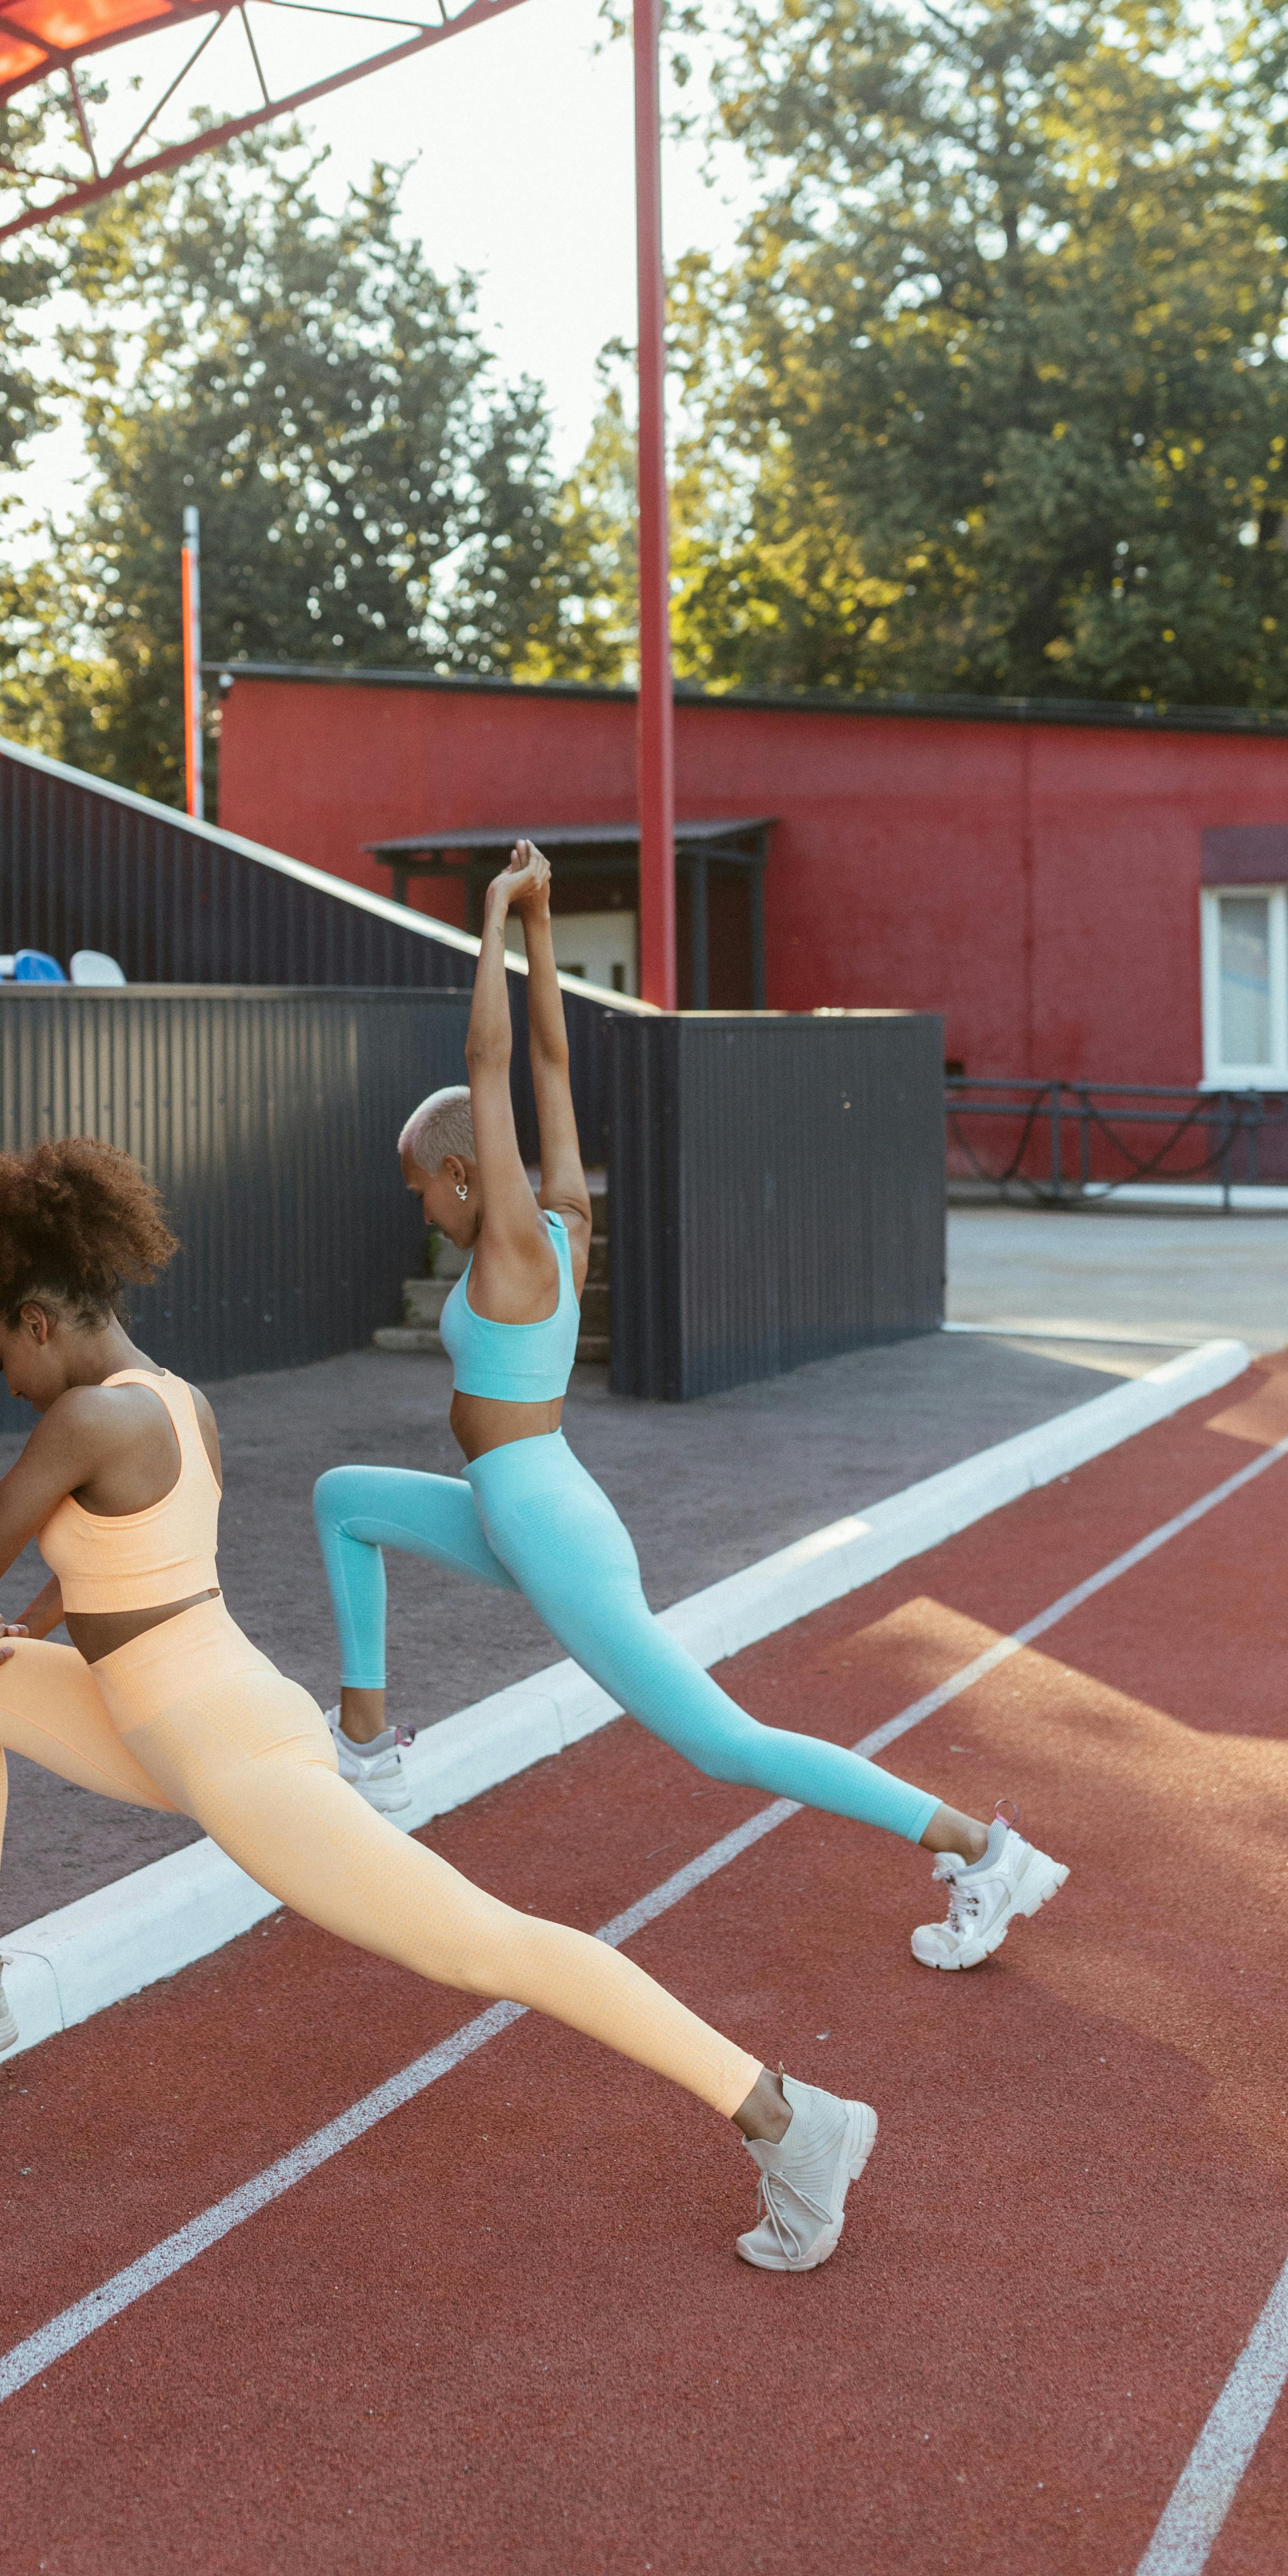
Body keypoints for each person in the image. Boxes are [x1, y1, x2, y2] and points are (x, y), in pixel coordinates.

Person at [0, 1136, 878, 2271]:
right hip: (185, 1720)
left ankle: (785, 2116)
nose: (3, 1379)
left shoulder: (87, 1419)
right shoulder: (175, 1404)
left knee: (491, 1948)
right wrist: (18, 1642)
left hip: (229, 1754)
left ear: (37, 1322)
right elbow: (116, 1560)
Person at [315, 844, 1069, 1974]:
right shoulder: (563, 1219)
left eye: (418, 1180)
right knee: (344, 1501)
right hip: (524, 1504)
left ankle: (976, 1845)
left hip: (546, 1525)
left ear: (466, 1177)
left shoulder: (518, 1243)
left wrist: (489, 915)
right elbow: (552, 1063)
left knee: (722, 1744)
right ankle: (365, 1743)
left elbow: (494, 1060)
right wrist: (538, 927)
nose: (414, 1200)